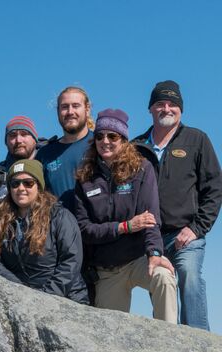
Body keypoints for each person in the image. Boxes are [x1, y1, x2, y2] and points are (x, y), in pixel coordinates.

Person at [72, 108, 177, 322]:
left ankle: (170, 338)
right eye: (99, 136)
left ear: (124, 139)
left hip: (138, 259)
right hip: (107, 269)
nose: (105, 141)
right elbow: (84, 230)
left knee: (164, 277)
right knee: (108, 331)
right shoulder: (85, 178)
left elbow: (150, 218)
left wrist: (155, 253)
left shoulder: (142, 169)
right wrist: (124, 227)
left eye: (112, 136)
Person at [133, 80, 221, 330]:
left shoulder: (197, 140)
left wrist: (196, 228)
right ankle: (169, 344)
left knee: (189, 277)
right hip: (150, 237)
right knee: (161, 286)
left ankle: (199, 343)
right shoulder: (135, 147)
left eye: (172, 104)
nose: (166, 108)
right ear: (150, 109)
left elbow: (215, 187)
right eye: (160, 103)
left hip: (187, 235)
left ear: (181, 109)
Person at [0, 159, 88, 303]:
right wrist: (19, 288)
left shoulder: (60, 216)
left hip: (66, 298)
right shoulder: (2, 220)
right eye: (15, 183)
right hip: (23, 299)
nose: (21, 188)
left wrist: (45, 298)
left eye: (28, 183)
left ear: (39, 186)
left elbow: (71, 261)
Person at [36, 87, 94, 209]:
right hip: (58, 220)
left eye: (75, 106)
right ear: (58, 111)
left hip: (97, 220)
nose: (70, 111)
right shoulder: (44, 154)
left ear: (87, 109)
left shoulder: (101, 145)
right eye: (64, 107)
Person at [0, 116, 40, 199]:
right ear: (6, 142)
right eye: (12, 135)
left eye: (24, 134)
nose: (18, 140)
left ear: (34, 139)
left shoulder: (49, 168)